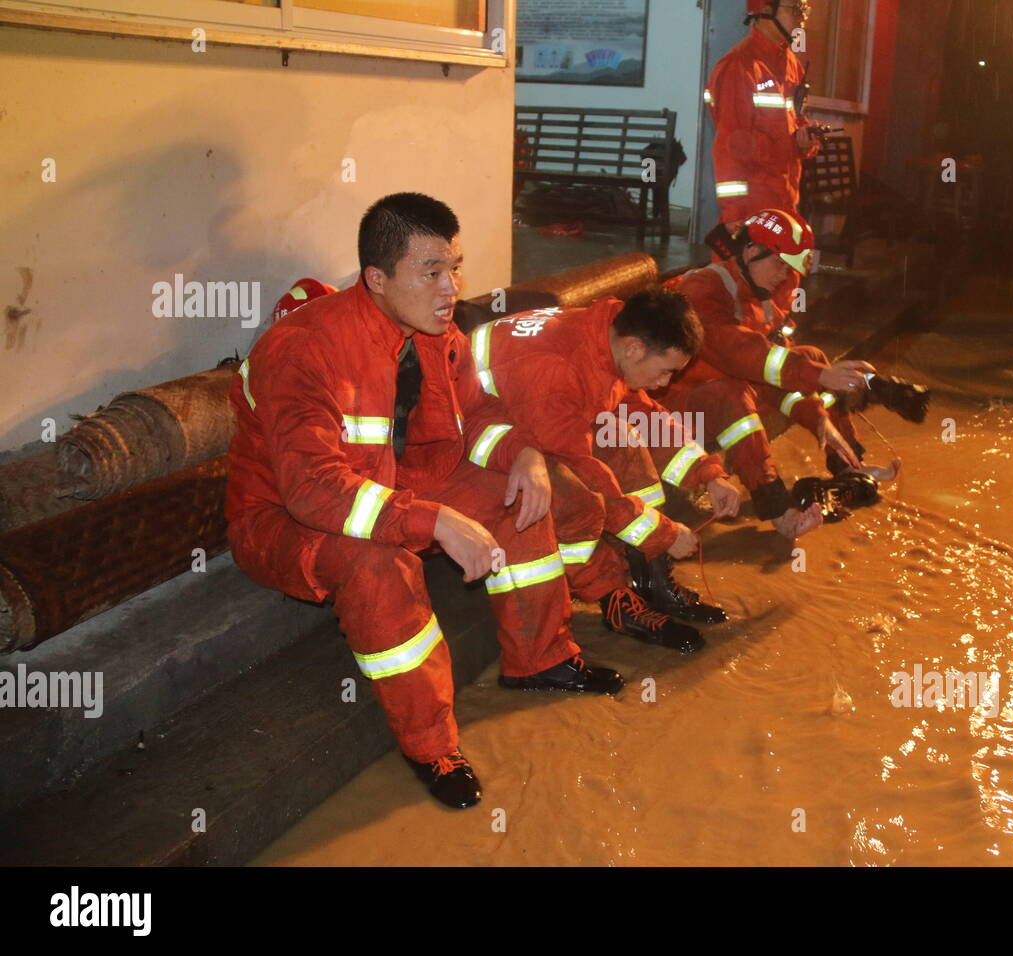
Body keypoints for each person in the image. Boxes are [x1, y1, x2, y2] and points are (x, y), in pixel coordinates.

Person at [224, 193, 622, 812]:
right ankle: (429, 743)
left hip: (395, 479)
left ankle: (540, 659)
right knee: (380, 569)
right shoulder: (304, 349)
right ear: (376, 279)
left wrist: (522, 453)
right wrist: (429, 519)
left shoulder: (437, 331)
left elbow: (480, 413)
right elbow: (311, 490)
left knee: (516, 498)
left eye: (455, 267)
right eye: (431, 271)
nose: (451, 286)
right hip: (283, 517)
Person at [467, 292, 743, 652]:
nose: (666, 383)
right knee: (573, 497)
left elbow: (642, 411)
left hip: (532, 420)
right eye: (666, 371)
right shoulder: (555, 369)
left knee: (623, 441)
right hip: (477, 441)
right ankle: (614, 600)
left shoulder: (603, 337)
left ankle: (651, 581)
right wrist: (661, 533)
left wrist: (708, 474)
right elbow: (582, 473)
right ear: (634, 348)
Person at [662, 208, 878, 538]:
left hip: (720, 392)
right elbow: (736, 351)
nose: (783, 276)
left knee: (812, 357)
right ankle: (778, 509)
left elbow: (779, 371)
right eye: (779, 264)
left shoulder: (758, 297)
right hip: (670, 405)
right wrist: (818, 377)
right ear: (750, 251)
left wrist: (818, 416)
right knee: (734, 393)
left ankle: (849, 463)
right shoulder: (703, 288)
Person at [706, 0, 818, 231]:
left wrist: (806, 141)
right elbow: (729, 148)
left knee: (784, 267)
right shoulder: (740, 66)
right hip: (751, 210)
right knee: (745, 268)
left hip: (785, 203)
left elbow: (797, 121)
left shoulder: (792, 65)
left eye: (804, 10)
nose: (802, 18)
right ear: (766, 11)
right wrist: (733, 213)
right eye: (795, 9)